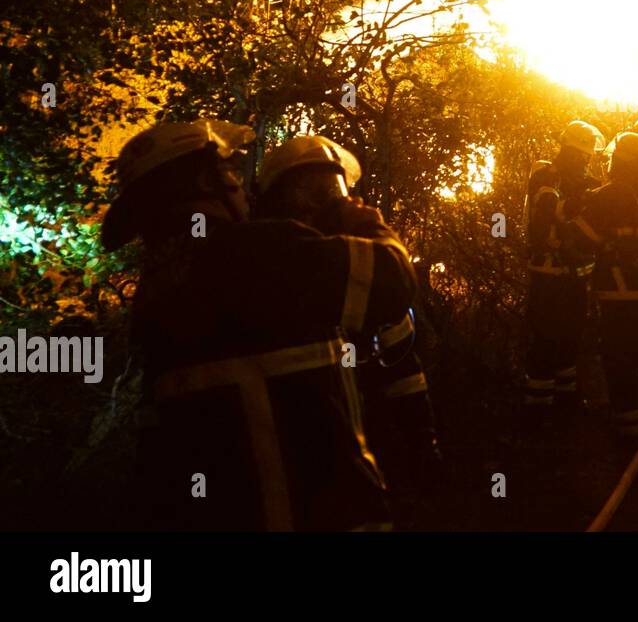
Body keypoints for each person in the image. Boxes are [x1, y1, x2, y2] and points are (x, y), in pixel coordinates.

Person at [103, 120, 416, 530]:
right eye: (230, 171)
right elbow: (393, 280)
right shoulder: (258, 252)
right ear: (204, 180)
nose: (239, 185)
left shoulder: (156, 293)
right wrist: (356, 216)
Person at [256, 134, 438, 495]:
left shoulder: (357, 269)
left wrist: (422, 440)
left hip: (370, 449)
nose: (325, 205)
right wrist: (372, 227)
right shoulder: (269, 268)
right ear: (277, 201)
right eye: (309, 192)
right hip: (304, 465)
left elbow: (405, 371)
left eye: (331, 190)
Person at [567, 132, 638, 437]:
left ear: (617, 160)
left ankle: (630, 426)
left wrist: (572, 213)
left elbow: (582, 239)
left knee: (620, 356)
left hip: (619, 293)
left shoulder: (607, 194)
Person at [522, 121, 603, 416]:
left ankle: (565, 405)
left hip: (574, 278)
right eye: (584, 156)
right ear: (572, 152)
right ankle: (539, 411)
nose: (586, 162)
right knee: (545, 341)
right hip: (549, 276)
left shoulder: (581, 181)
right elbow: (543, 223)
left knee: (570, 339)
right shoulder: (548, 177)